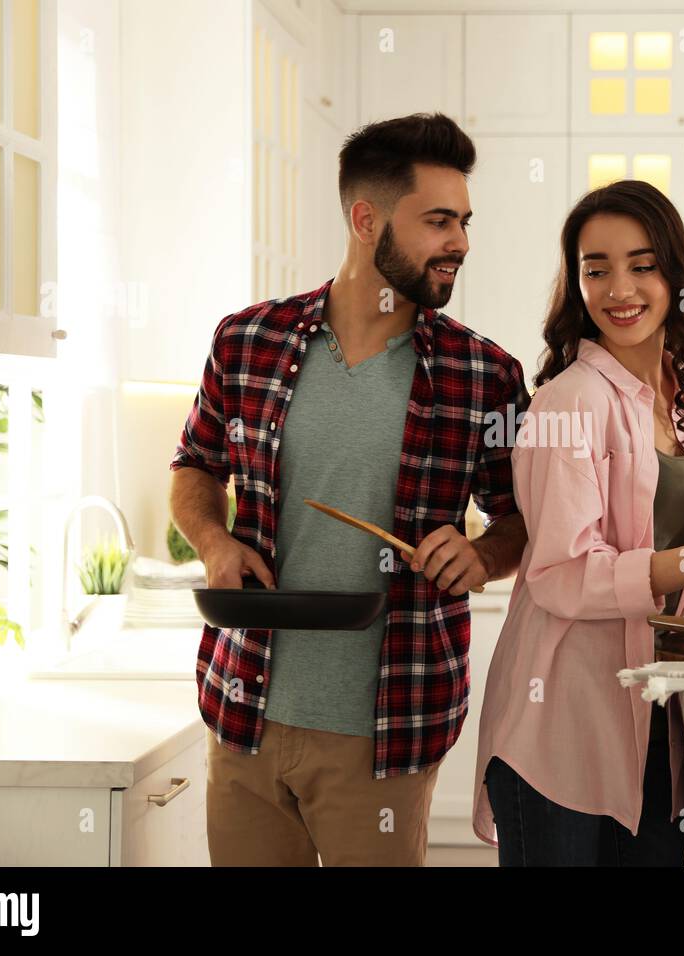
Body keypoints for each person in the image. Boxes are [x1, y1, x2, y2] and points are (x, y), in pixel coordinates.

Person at [170, 113, 529, 866]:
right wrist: (213, 541)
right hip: (245, 715)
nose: (459, 241)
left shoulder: (484, 374)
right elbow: (194, 466)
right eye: (438, 221)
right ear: (366, 220)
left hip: (387, 731)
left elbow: (520, 519)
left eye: (463, 221)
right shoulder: (248, 342)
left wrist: (481, 557)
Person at [472, 179, 684, 866]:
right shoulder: (567, 402)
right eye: (597, 269)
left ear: (676, 276)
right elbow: (563, 573)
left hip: (653, 708)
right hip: (559, 720)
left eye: (642, 265)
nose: (619, 288)